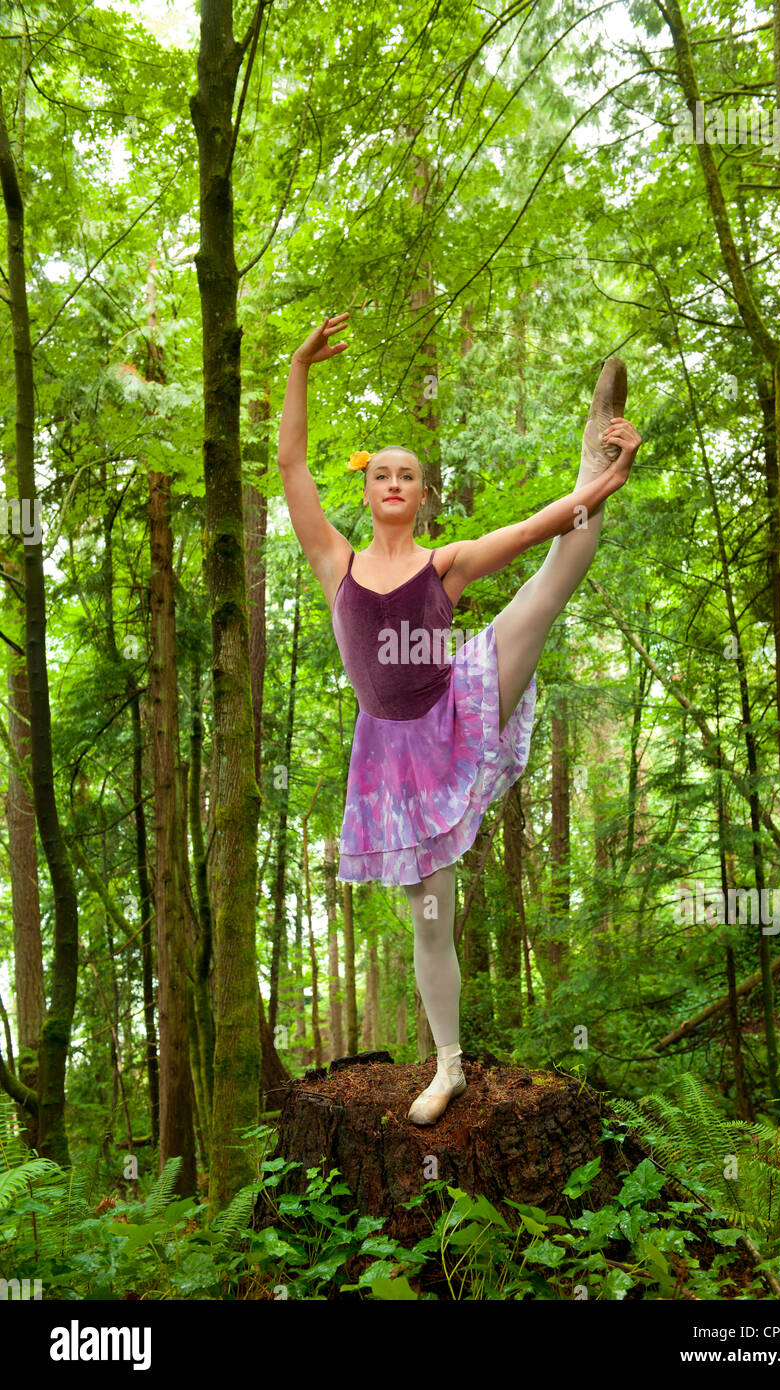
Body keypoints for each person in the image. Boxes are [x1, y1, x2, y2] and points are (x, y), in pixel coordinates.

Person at [277, 311, 642, 1125]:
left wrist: (605, 479)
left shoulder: (445, 564)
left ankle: (592, 447)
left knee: (547, 587)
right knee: (430, 918)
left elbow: (540, 528)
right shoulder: (335, 563)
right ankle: (448, 1067)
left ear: (421, 495)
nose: (393, 483)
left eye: (407, 475)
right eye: (381, 474)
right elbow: (291, 463)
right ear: (366, 492)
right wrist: (300, 367)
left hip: (459, 699)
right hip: (393, 759)